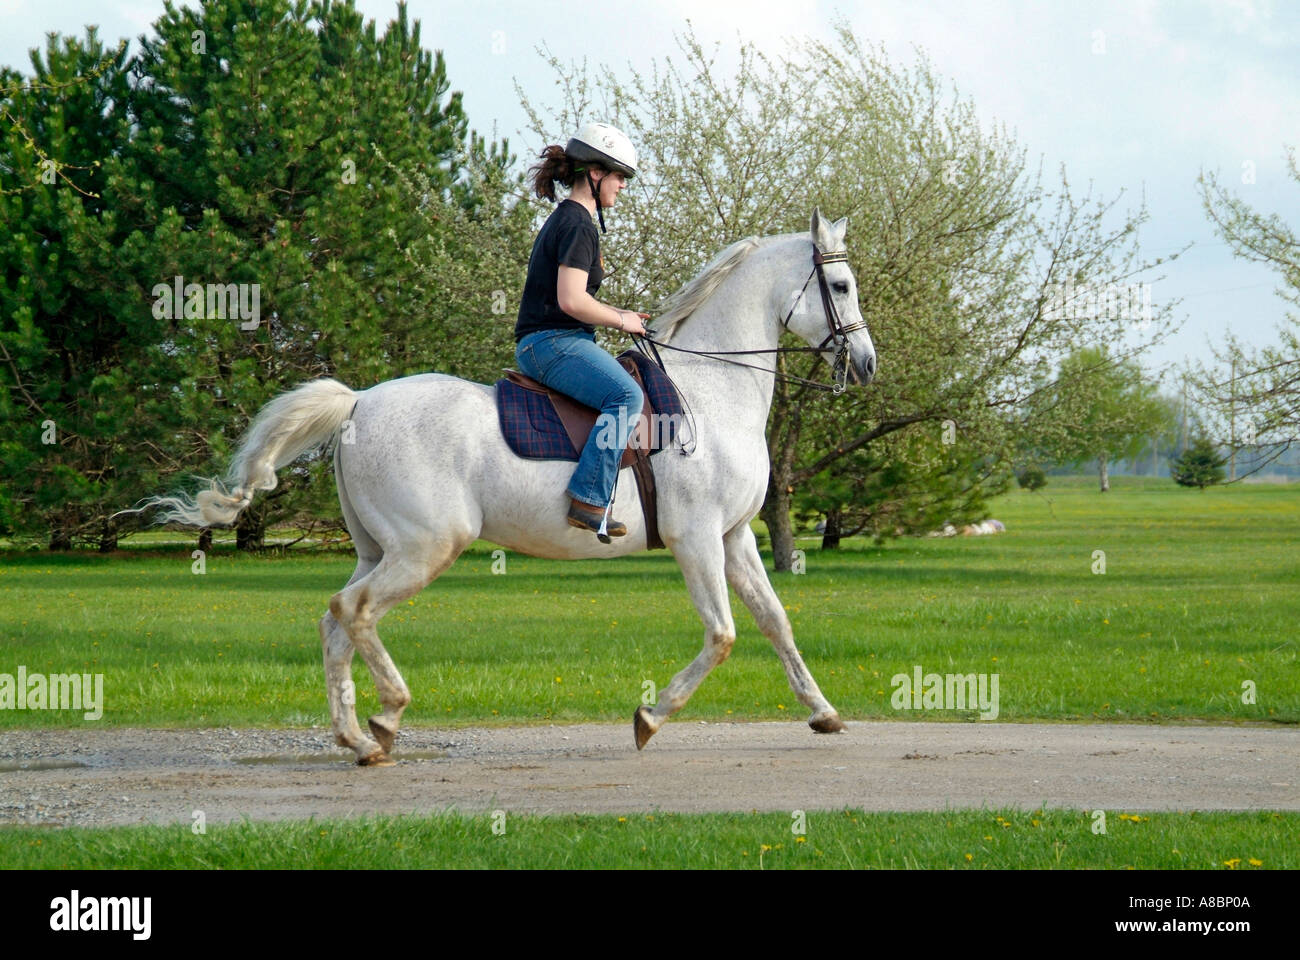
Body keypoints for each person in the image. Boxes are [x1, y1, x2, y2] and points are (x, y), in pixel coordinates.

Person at [514, 122, 651, 541]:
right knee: (626, 395)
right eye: (619, 177)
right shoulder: (577, 224)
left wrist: (620, 312)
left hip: (555, 341)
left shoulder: (571, 220)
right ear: (595, 173)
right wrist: (621, 319)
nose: (623, 187)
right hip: (552, 343)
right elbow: (572, 300)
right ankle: (590, 499)